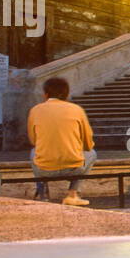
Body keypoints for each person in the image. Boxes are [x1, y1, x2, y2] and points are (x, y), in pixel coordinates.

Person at [27, 76, 96, 205]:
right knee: (92, 153)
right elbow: (88, 143)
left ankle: (43, 195)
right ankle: (73, 194)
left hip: (44, 168)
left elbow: (33, 140)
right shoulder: (77, 110)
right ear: (67, 94)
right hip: (74, 167)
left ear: (46, 94)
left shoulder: (35, 110)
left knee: (34, 152)